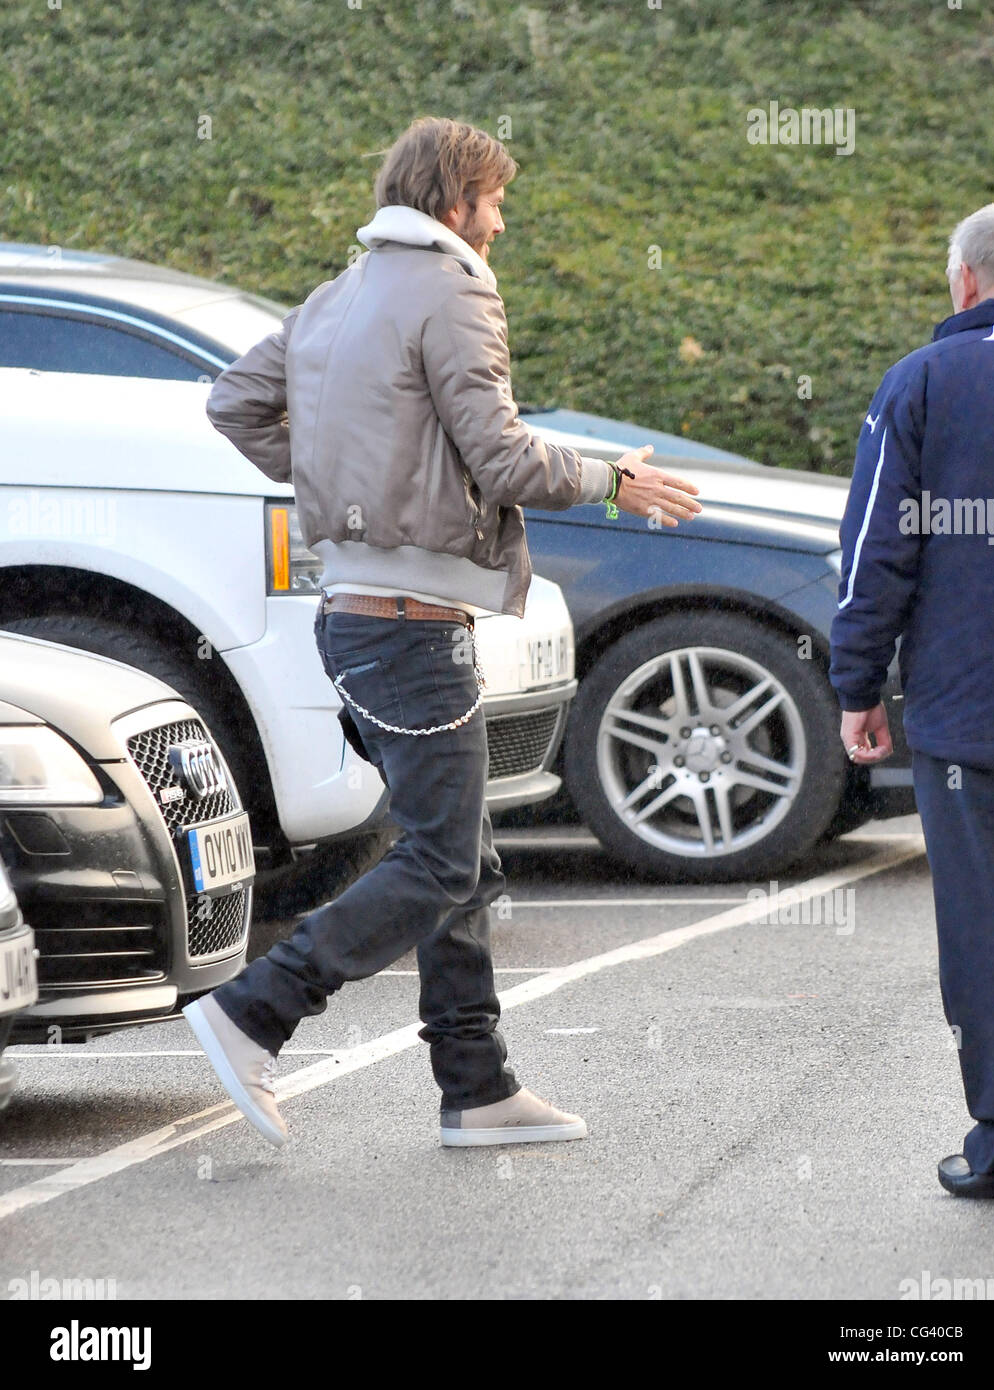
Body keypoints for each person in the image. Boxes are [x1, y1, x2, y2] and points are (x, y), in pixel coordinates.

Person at [182, 116, 703, 1149]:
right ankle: (254, 1008)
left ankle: (476, 1086)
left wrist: (348, 481)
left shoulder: (337, 295)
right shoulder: (453, 286)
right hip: (409, 631)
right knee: (439, 860)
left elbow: (234, 403)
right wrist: (613, 482)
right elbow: (502, 457)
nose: (501, 221)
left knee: (458, 852)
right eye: (495, 199)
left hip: (359, 618)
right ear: (453, 200)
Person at [829, 202, 994, 1198]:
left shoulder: (923, 383)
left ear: (961, 282)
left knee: (986, 924)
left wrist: (856, 684)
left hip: (966, 714)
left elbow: (874, 556)